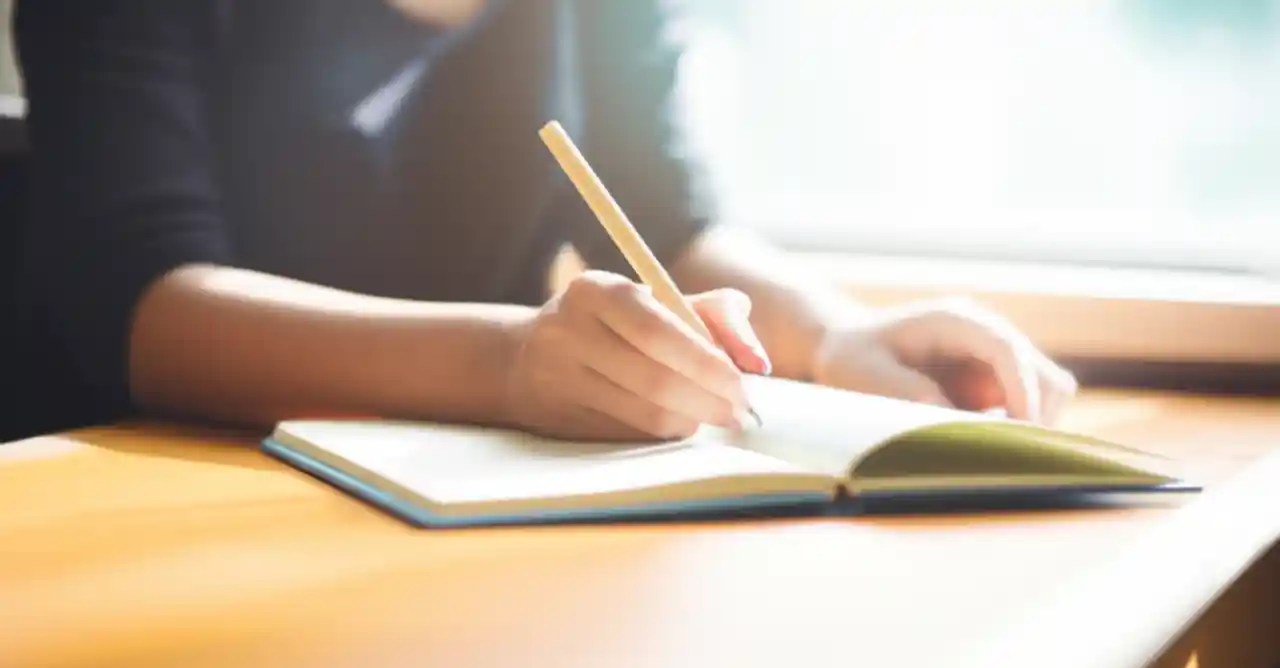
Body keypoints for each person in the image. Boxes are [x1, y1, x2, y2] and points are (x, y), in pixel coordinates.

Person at [14, 0, 1076, 442]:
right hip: (154, 495)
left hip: (456, 514)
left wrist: (834, 335)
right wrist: (510, 366)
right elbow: (142, 304)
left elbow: (668, 219)